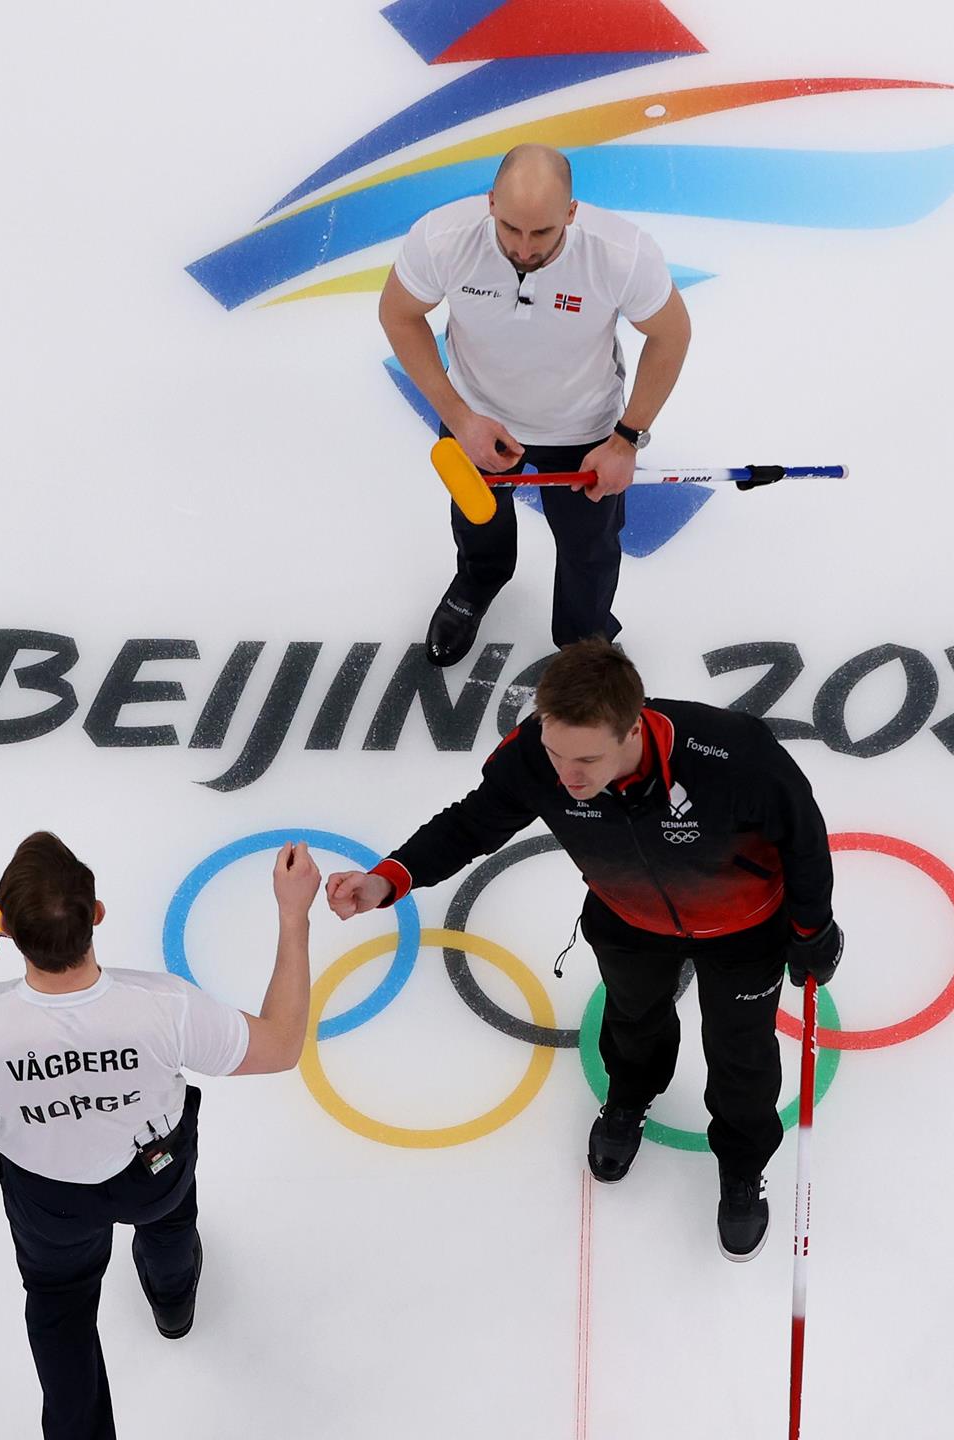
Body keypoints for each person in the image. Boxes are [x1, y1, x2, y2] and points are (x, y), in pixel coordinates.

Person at [322, 639, 841, 1260]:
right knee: (633, 1020)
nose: (568, 777)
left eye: (588, 759)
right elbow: (471, 823)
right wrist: (389, 878)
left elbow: (804, 839)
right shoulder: (536, 758)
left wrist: (812, 930)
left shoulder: (732, 754)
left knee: (742, 1054)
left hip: (743, 930)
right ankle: (628, 1099)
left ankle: (742, 1164)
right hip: (629, 919)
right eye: (555, 753)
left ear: (633, 728)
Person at [0, 832, 319, 1440]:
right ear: (96, 914)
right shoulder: (165, 1006)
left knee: (60, 1306)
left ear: (9, 931)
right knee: (170, 1224)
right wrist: (293, 914)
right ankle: (173, 1305)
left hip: (49, 1198)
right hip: (154, 1168)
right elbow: (281, 1046)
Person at [378, 143, 694, 665]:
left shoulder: (621, 254)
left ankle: (582, 638)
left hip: (584, 429)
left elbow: (671, 334)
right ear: (491, 204)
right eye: (510, 228)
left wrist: (626, 440)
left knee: (589, 548)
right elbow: (398, 314)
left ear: (571, 213)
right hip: (477, 415)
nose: (524, 248)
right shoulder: (441, 240)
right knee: (477, 520)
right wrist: (460, 418)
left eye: (542, 232)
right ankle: (479, 580)